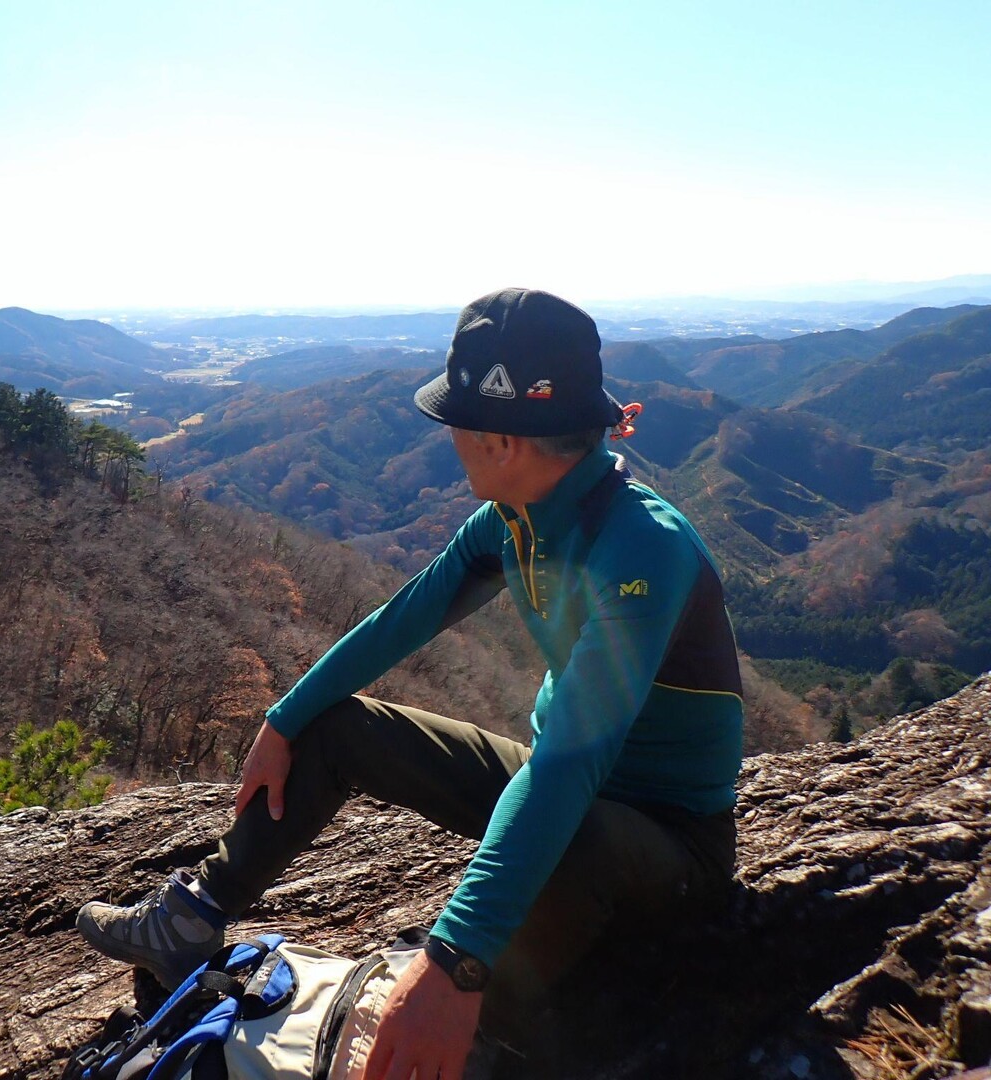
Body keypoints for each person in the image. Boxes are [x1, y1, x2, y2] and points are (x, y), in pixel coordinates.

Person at [77, 288, 743, 1080]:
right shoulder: (518, 518)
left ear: (500, 437)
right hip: (577, 800)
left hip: (668, 850)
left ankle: (487, 1039)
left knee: (569, 827)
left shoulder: (640, 550)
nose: (449, 438)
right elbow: (403, 620)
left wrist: (454, 964)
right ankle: (193, 915)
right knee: (337, 723)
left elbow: (569, 765)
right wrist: (288, 719)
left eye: (457, 421)